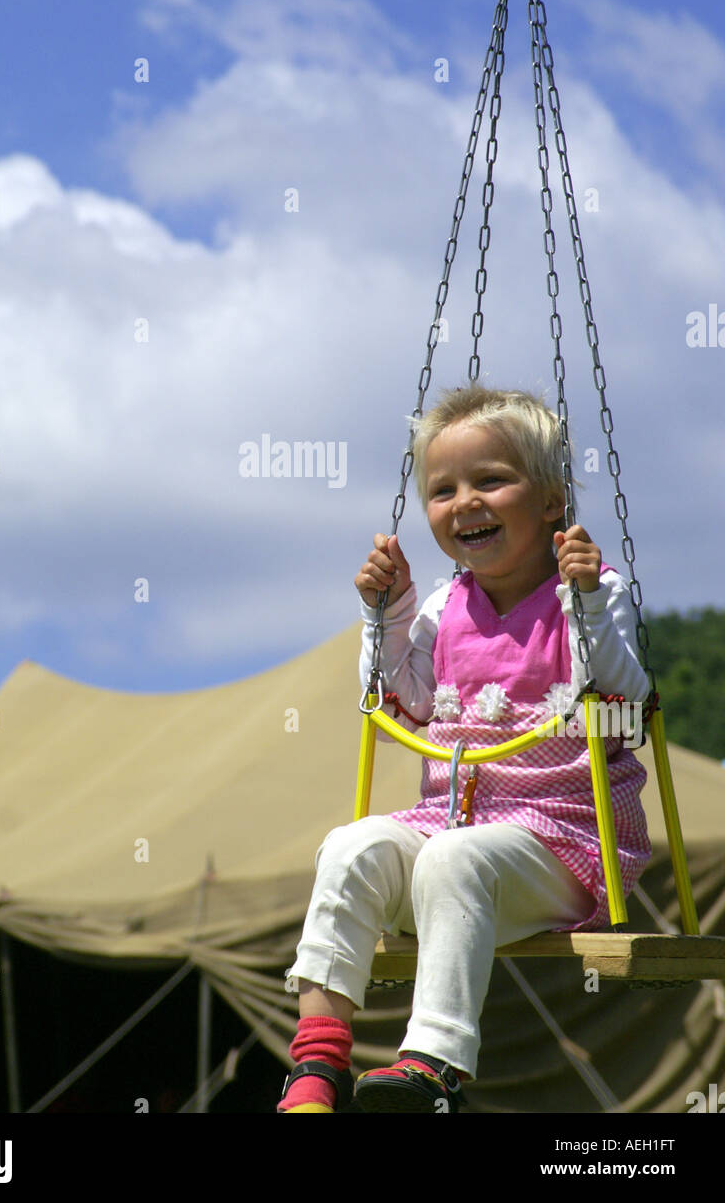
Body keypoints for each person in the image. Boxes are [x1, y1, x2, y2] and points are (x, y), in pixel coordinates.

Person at [277, 383, 652, 1113]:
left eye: (491, 480)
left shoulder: (590, 592)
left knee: (456, 859)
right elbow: (401, 697)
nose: (465, 502)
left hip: (563, 840)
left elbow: (627, 701)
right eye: (443, 490)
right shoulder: (447, 606)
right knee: (349, 845)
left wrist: (590, 604)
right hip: (450, 826)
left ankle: (435, 1064)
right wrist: (384, 613)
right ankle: (317, 1064)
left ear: (551, 504)